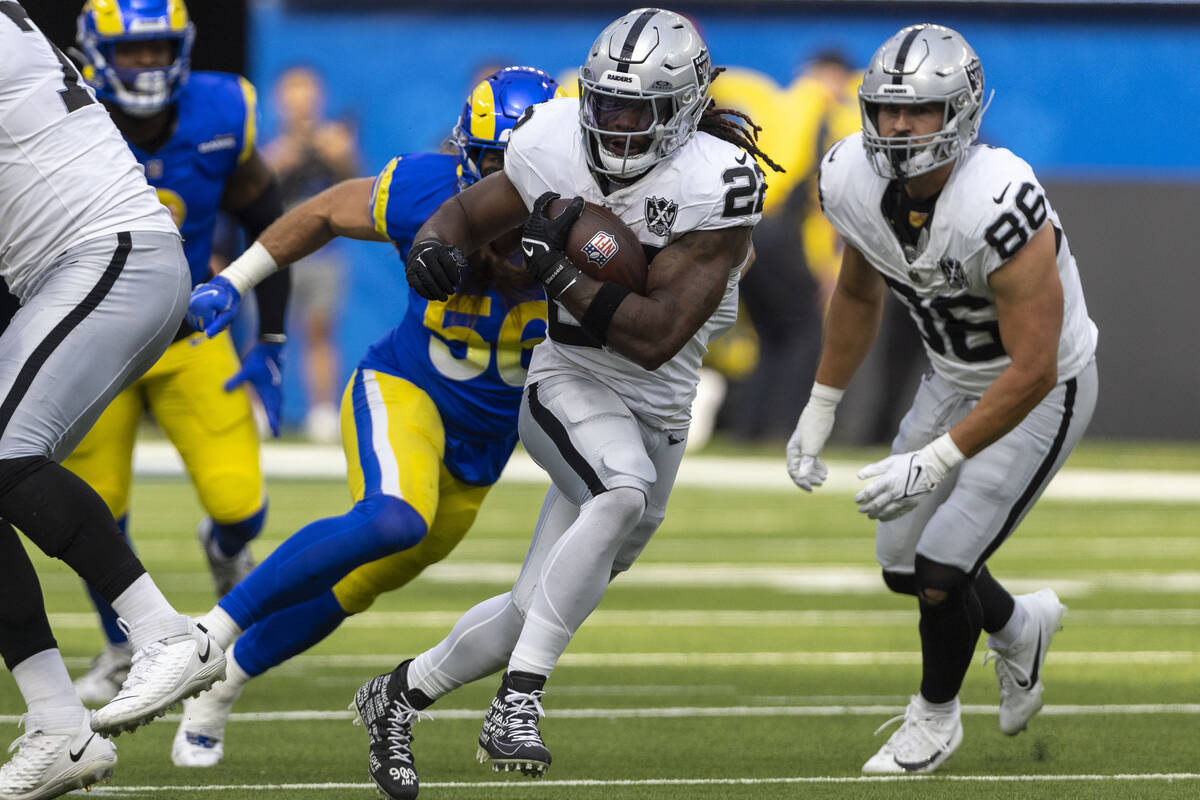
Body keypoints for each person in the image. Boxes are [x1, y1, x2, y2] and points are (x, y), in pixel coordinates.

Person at [339, 9, 783, 799]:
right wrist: (435, 247)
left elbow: (656, 335)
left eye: (637, 111)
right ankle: (518, 703)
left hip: (661, 405)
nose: (615, 124)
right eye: (605, 104)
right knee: (619, 493)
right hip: (570, 378)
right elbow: (466, 214)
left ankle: (397, 697)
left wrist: (561, 273)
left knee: (532, 607)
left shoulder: (718, 182)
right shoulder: (550, 140)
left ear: (682, 108)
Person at [174, 67, 561, 773]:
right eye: (498, 166)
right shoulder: (427, 189)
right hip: (407, 389)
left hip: (486, 441)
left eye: (532, 167)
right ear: (467, 160)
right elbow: (325, 210)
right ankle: (205, 636)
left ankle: (223, 683)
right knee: (392, 518)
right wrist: (234, 280)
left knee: (357, 586)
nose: (513, 188)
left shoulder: (594, 217)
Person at [787, 23, 1098, 774]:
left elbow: (1033, 367)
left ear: (960, 111)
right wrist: (821, 404)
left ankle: (934, 719)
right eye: (888, 108)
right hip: (953, 376)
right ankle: (1018, 627)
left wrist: (935, 459)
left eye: (920, 109)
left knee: (942, 567)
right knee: (901, 565)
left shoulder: (998, 198)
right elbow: (857, 294)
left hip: (1043, 388)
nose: (899, 125)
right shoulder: (849, 177)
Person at [0, 4, 226, 797]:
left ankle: (166, 634)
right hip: (72, 271)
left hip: (109, 256)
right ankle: (59, 726)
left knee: (5, 454)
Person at [66, 0, 291, 706]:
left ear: (181, 47)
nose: (145, 62)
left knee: (241, 504)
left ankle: (224, 549)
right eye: (130, 50)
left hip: (189, 332)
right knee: (94, 512)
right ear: (95, 51)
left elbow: (268, 222)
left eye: (157, 47)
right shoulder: (62, 119)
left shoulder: (221, 110)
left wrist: (272, 335)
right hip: (91, 339)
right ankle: (122, 648)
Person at [262, 65, 360, 443]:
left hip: (323, 252)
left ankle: (322, 410)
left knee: (321, 330)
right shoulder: (268, 142)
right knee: (266, 331)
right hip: (275, 251)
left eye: (307, 91)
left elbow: (358, 181)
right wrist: (276, 160)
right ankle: (259, 407)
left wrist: (339, 154)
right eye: (293, 91)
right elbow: (251, 190)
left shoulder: (334, 138)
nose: (300, 100)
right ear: (280, 99)